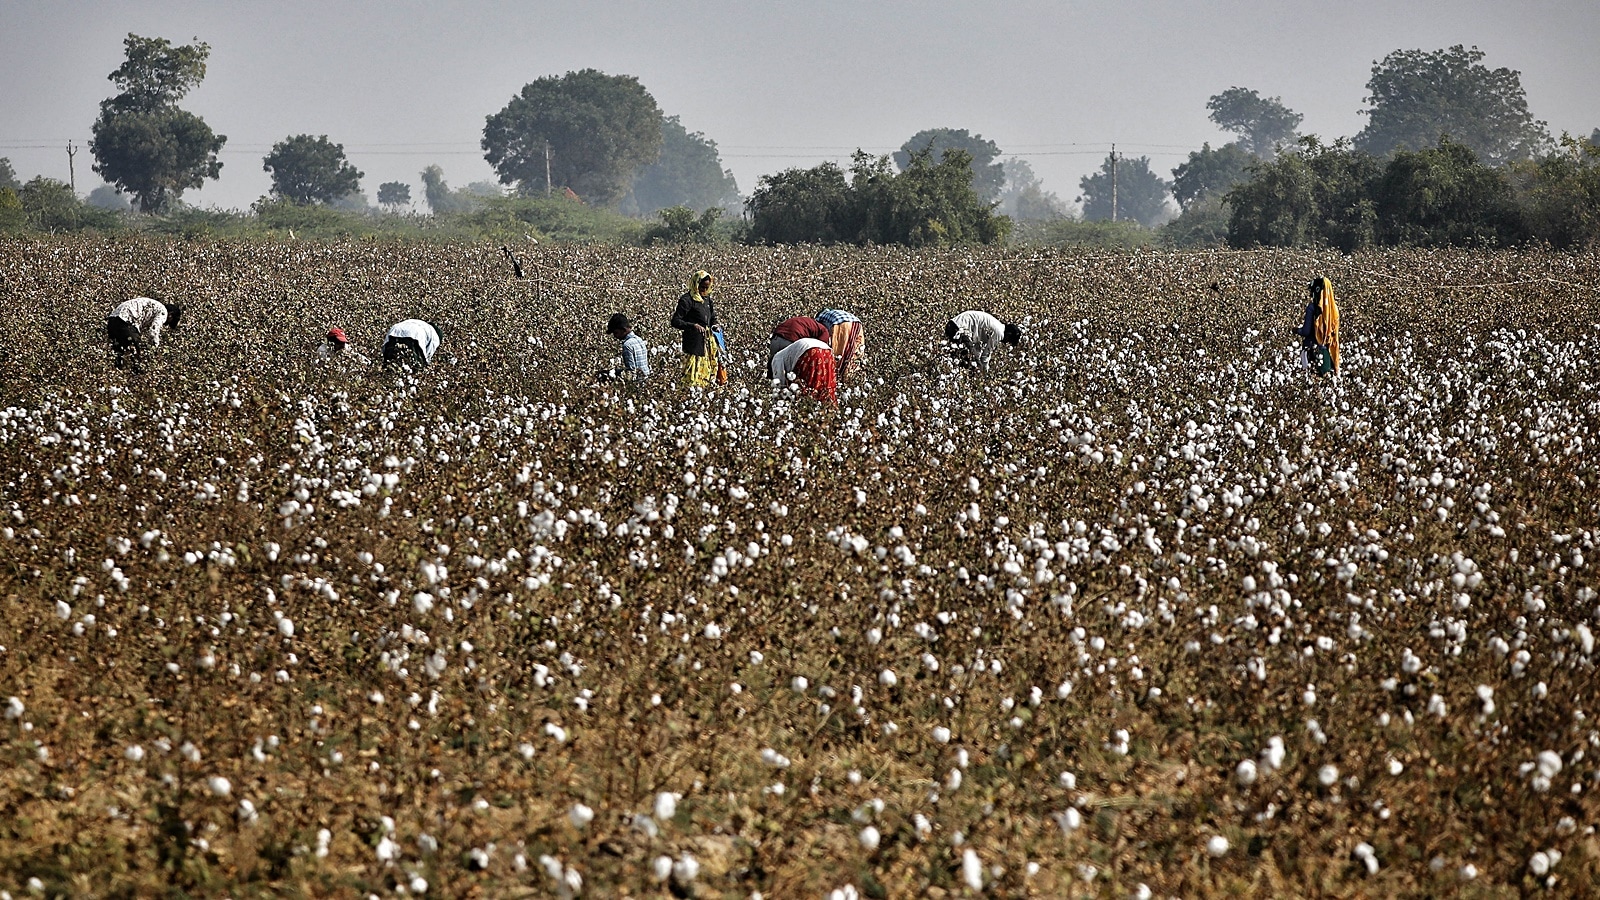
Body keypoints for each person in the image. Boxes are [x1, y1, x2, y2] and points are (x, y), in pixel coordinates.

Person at [670, 269, 720, 388]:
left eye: (706, 287)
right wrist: (692, 326)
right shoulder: (687, 300)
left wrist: (715, 324)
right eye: (702, 287)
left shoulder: (707, 299)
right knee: (692, 376)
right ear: (696, 284)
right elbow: (676, 321)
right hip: (694, 344)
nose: (704, 290)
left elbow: (712, 316)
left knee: (709, 374)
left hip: (708, 343)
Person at [107, 295, 183, 373]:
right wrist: (156, 349)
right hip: (126, 321)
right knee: (136, 358)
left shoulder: (153, 306)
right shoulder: (163, 311)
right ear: (170, 315)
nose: (166, 324)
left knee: (120, 354)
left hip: (112, 320)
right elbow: (154, 330)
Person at [769, 336, 837, 405]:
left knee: (806, 386)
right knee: (826, 383)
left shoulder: (776, 359)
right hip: (827, 351)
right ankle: (828, 406)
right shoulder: (784, 354)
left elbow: (779, 382)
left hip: (811, 352)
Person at [945, 310, 1021, 372]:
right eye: (1009, 340)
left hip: (954, 325)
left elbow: (978, 346)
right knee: (972, 361)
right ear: (1008, 334)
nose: (1006, 343)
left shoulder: (997, 326)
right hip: (958, 328)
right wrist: (984, 372)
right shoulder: (999, 333)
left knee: (964, 358)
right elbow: (986, 355)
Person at [1295, 276, 1340, 376]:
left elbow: (1306, 331)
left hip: (1311, 350)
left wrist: (1297, 330)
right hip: (1327, 354)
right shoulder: (1334, 310)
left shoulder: (1312, 307)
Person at [816, 308, 866, 380]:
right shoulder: (834, 312)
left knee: (839, 351)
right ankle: (852, 374)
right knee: (856, 350)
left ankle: (838, 375)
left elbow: (823, 333)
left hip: (841, 324)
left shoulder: (819, 319)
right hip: (857, 323)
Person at [603, 312, 650, 380]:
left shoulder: (627, 345)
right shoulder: (639, 339)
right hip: (647, 380)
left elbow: (631, 372)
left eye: (616, 333)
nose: (615, 336)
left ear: (623, 330)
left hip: (638, 383)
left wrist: (613, 373)